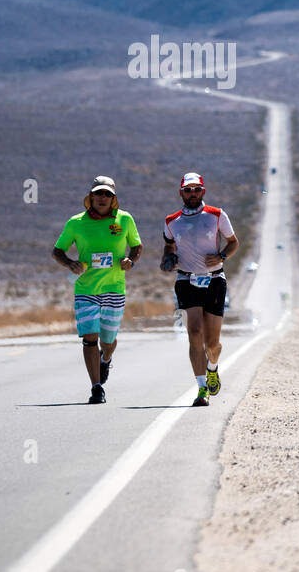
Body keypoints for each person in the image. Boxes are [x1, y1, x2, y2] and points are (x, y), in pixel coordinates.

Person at [52, 175, 142, 404]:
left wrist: (130, 261)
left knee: (108, 340)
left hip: (114, 287)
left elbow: (137, 246)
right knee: (90, 338)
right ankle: (96, 387)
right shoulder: (75, 223)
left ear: (113, 199)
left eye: (107, 194)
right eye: (98, 193)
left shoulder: (125, 219)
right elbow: (58, 250)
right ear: (90, 197)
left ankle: (105, 359)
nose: (102, 198)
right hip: (86, 288)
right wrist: (70, 263)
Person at [161, 172, 238, 407]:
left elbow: (234, 242)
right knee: (194, 334)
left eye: (196, 189)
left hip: (214, 280)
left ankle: (212, 367)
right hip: (186, 280)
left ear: (203, 191)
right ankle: (202, 388)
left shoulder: (216, 215)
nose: (192, 194)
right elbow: (168, 246)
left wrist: (222, 256)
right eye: (188, 190)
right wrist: (167, 259)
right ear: (181, 193)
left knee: (212, 343)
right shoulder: (171, 221)